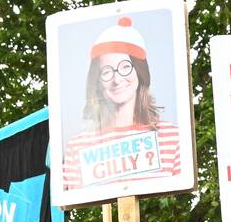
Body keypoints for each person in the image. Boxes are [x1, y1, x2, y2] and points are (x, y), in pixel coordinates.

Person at [61, 17, 180, 192]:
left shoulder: (173, 137)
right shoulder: (77, 147)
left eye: (125, 67)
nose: (117, 79)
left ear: (140, 72)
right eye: (106, 72)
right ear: (98, 81)